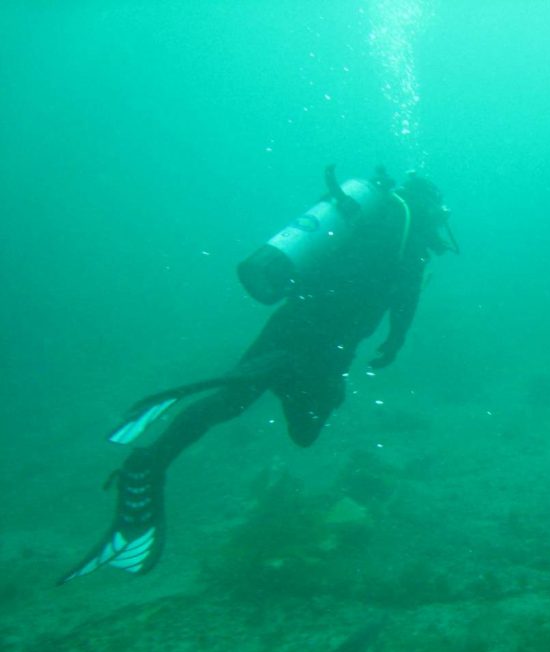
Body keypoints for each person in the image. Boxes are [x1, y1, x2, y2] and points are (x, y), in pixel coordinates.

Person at [59, 167, 455, 584]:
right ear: (428, 206)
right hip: (332, 339)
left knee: (232, 399)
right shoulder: (408, 238)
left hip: (291, 319)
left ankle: (153, 457)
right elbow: (405, 299)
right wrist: (394, 342)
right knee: (307, 428)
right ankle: (283, 376)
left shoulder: (363, 214)